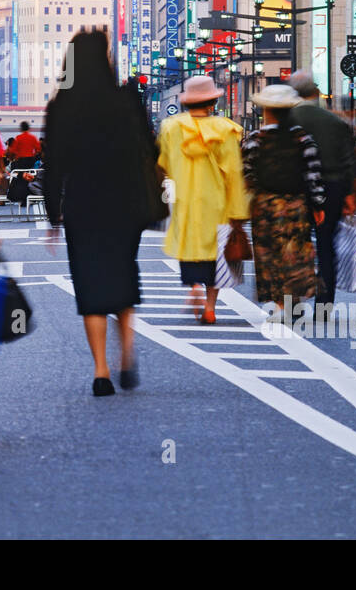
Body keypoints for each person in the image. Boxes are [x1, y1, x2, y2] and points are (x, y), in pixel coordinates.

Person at [43, 30, 155, 396]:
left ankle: (100, 369)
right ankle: (126, 353)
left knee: (90, 282)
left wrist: (52, 215)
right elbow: (149, 150)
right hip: (125, 202)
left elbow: (54, 165)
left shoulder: (61, 108)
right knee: (122, 272)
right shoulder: (127, 100)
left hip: (83, 204)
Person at [157, 75, 248, 325]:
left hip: (185, 199)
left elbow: (163, 163)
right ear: (211, 101)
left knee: (190, 250)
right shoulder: (225, 129)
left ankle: (193, 287)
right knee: (215, 255)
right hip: (217, 201)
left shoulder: (171, 128)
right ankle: (210, 306)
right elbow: (233, 171)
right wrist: (238, 211)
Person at [242, 85, 325, 321]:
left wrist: (254, 197)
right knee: (296, 252)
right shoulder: (303, 139)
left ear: (266, 110)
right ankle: (294, 299)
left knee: (270, 254)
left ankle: (279, 303)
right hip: (296, 204)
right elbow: (314, 174)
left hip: (266, 205)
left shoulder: (256, 139)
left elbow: (246, 174)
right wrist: (318, 204)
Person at [288, 71, 355, 310]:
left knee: (293, 244)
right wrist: (349, 194)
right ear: (315, 93)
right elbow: (349, 160)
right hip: (333, 187)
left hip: (294, 188)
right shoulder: (336, 122)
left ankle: (293, 302)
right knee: (327, 246)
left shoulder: (287, 119)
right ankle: (324, 305)